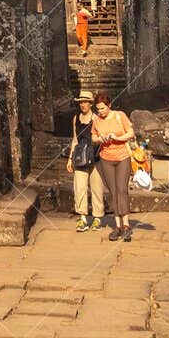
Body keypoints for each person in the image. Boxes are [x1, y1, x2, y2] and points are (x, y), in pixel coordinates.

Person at [92, 91, 136, 241]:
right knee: (113, 191)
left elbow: (131, 133)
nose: (101, 112)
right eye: (98, 109)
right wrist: (100, 138)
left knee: (122, 190)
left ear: (109, 105)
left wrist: (117, 137)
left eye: (103, 108)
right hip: (106, 158)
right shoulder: (96, 120)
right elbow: (93, 137)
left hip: (122, 156)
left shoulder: (119, 115)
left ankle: (126, 225)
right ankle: (117, 226)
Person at [66, 91, 104, 232]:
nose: (83, 104)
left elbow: (101, 138)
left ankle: (97, 218)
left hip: (95, 156)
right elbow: (75, 139)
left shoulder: (97, 118)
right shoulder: (76, 118)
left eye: (85, 101)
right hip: (80, 156)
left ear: (91, 103)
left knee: (96, 188)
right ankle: (82, 218)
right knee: (80, 187)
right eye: (81, 102)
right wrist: (70, 158)